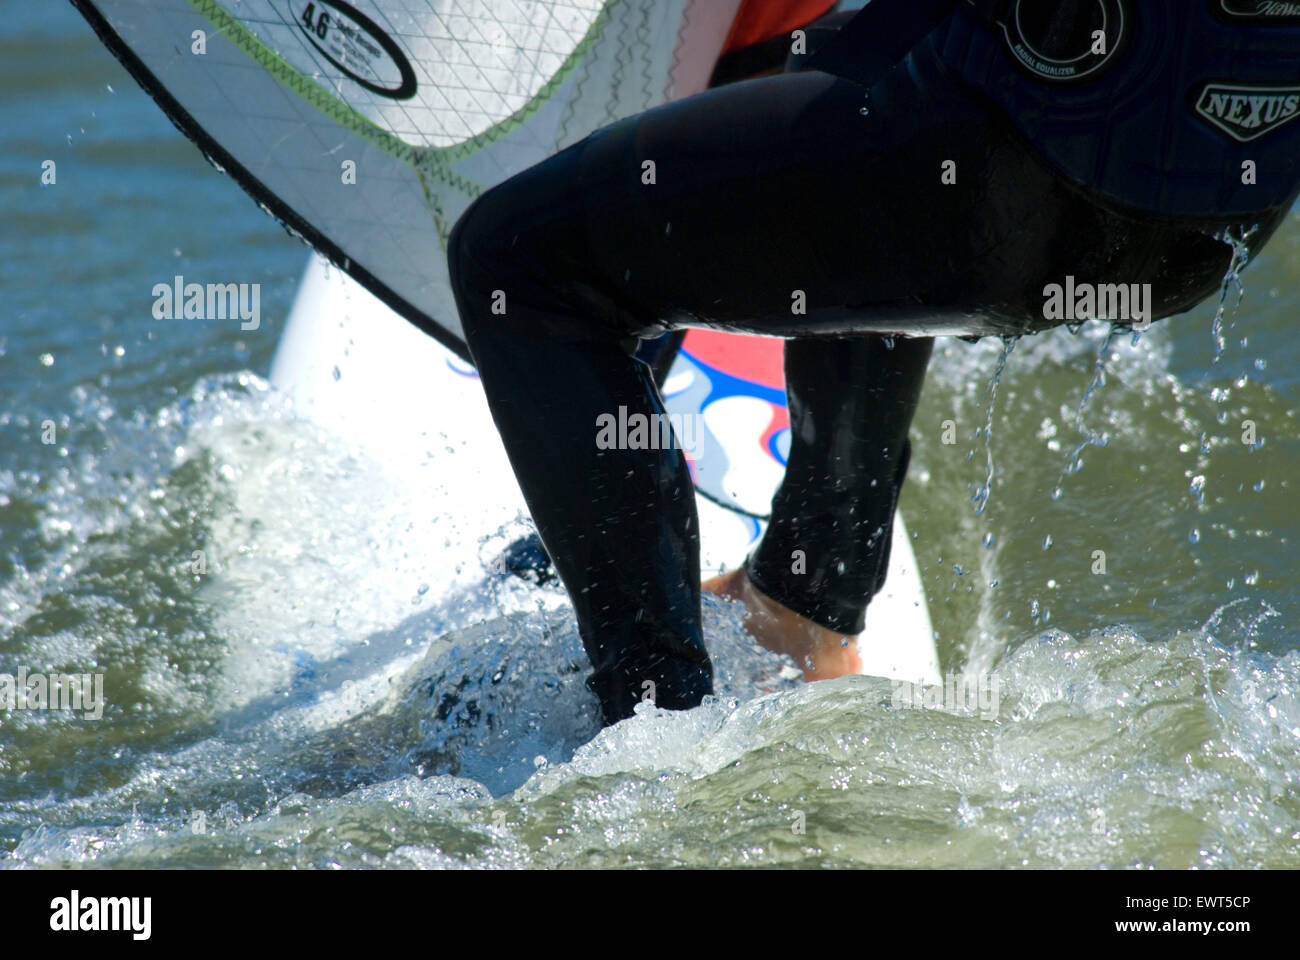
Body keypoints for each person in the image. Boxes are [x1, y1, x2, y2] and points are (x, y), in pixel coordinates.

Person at [449, 0, 1300, 727]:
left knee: (517, 263)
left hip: (1009, 175)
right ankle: (802, 607)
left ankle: (655, 716)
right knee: (851, 85)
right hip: (1217, 216)